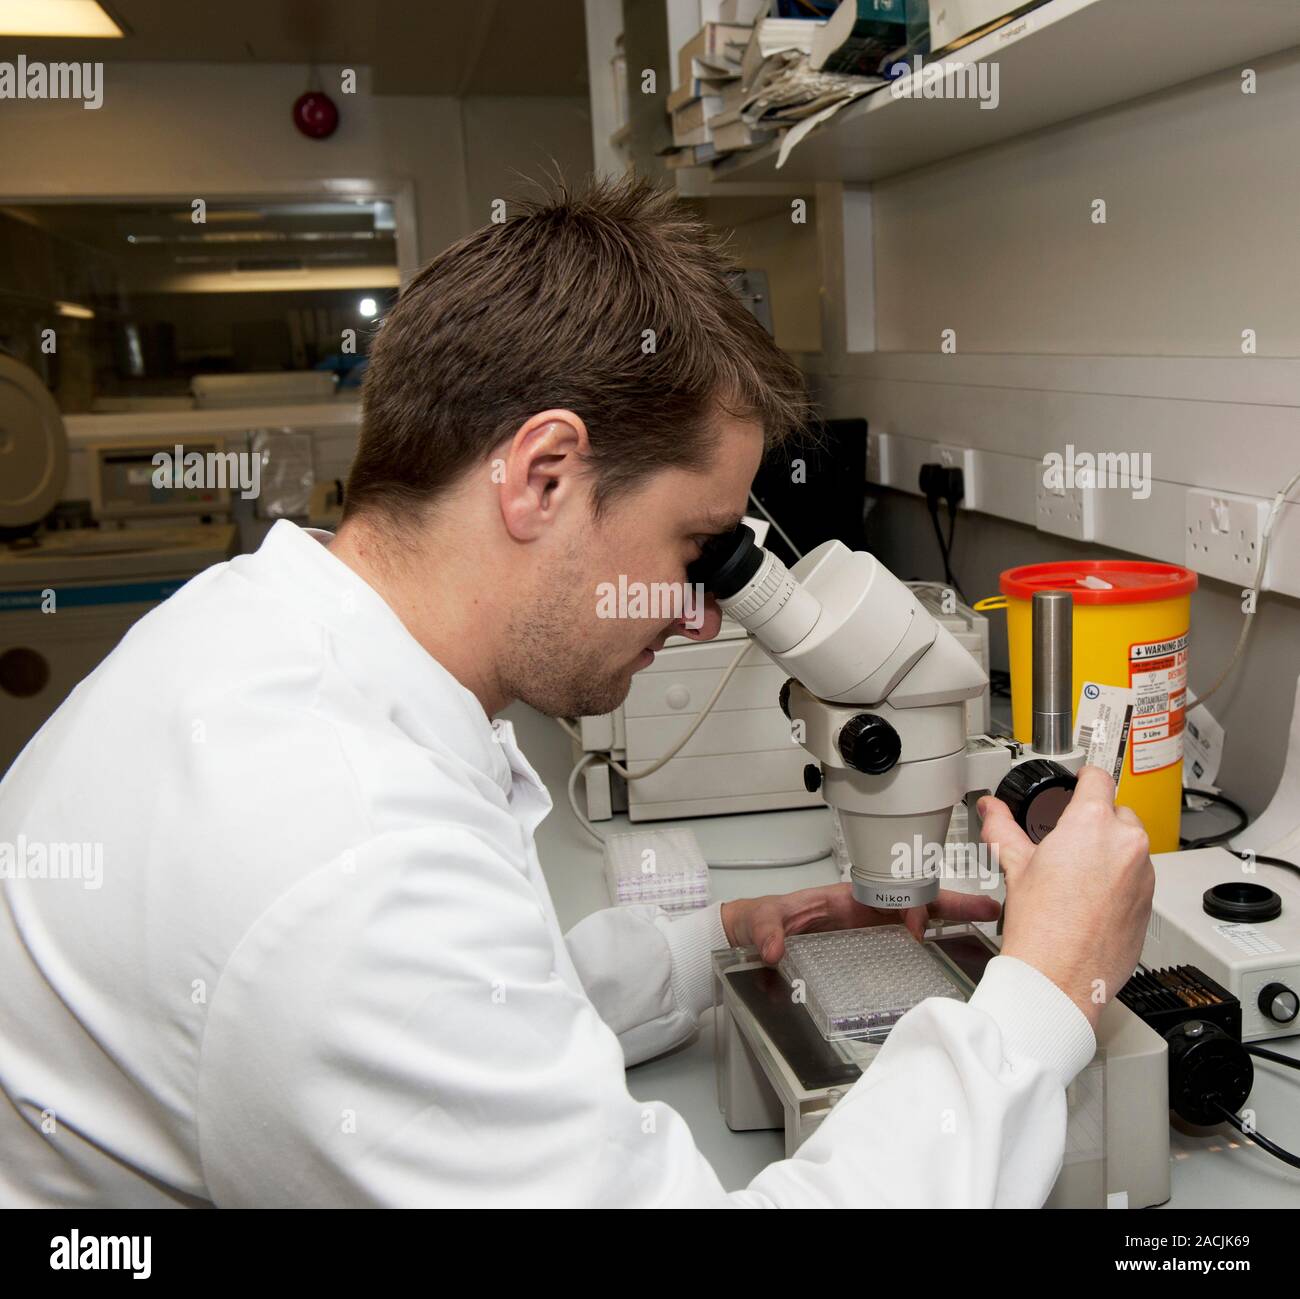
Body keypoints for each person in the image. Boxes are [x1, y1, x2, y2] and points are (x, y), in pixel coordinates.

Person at [0, 175, 1153, 1208]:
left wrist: (723, 938)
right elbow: (393, 966)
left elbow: (466, 1021)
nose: (703, 612)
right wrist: (1041, 999)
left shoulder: (258, 629)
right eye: (695, 545)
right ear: (545, 476)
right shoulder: (347, 861)